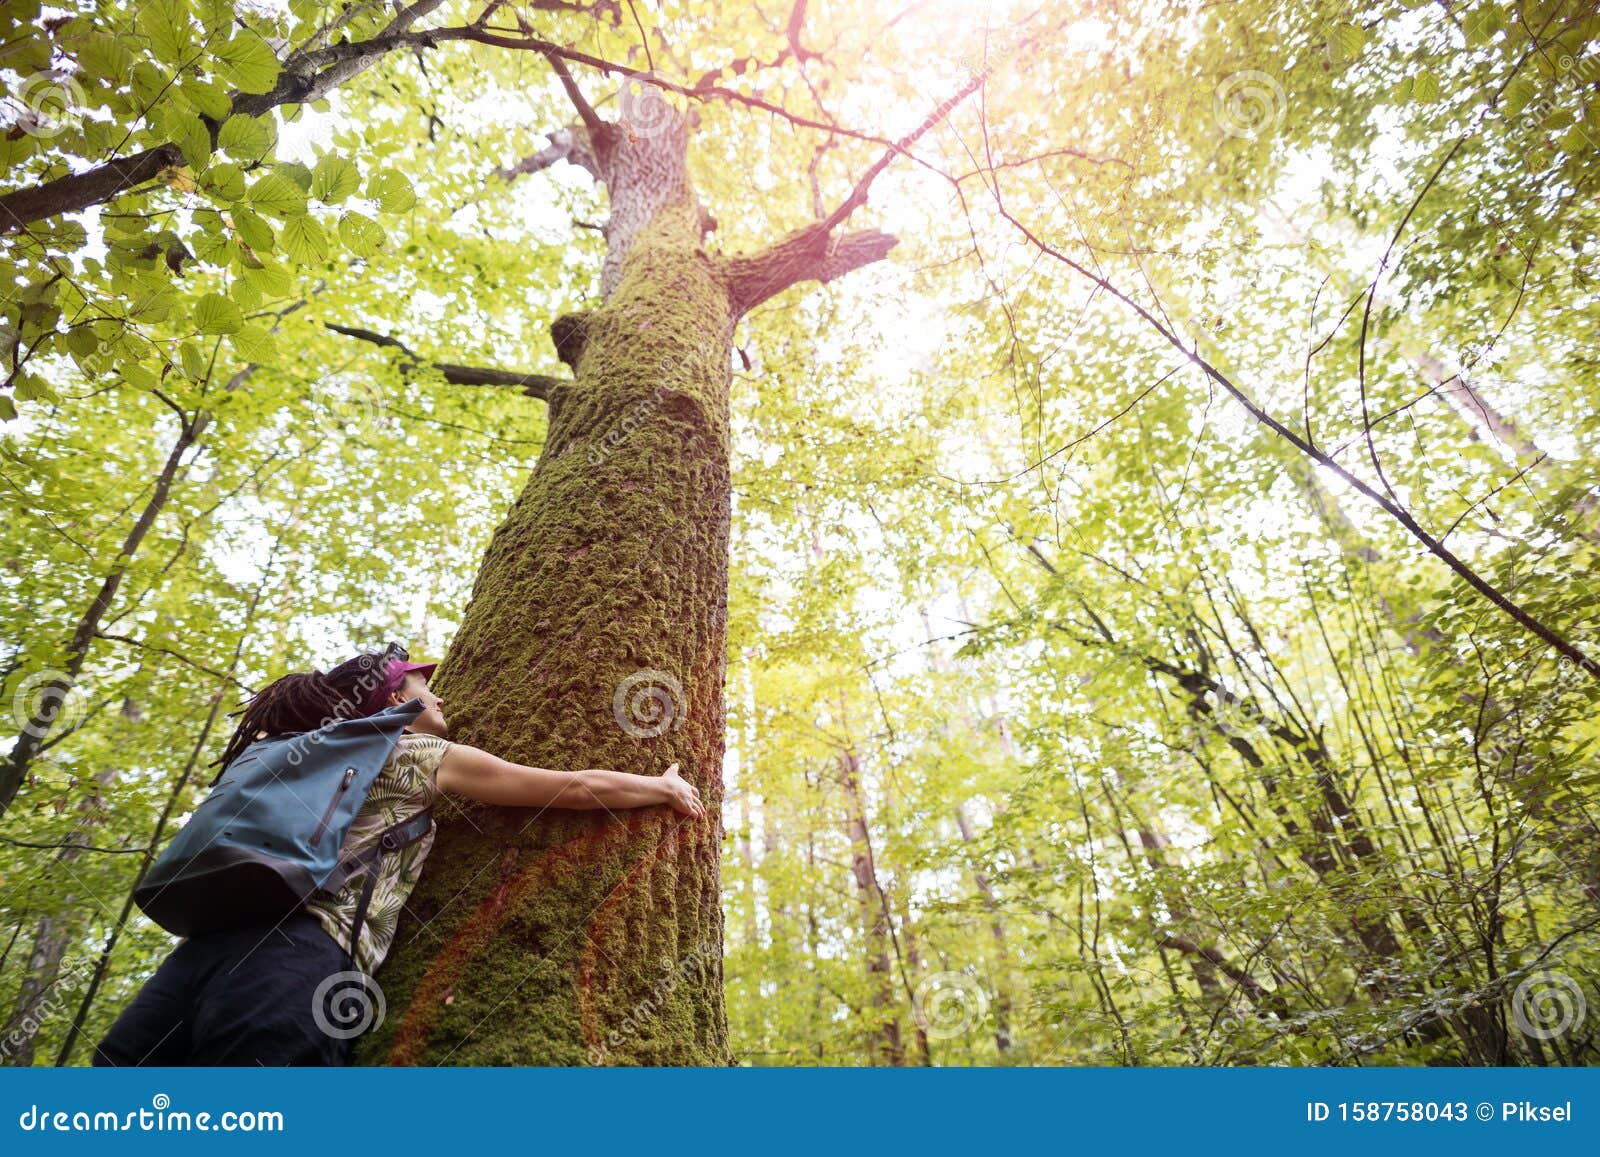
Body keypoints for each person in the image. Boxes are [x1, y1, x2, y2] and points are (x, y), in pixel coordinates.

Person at [92, 644, 701, 1066]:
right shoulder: (410, 756)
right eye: (422, 688)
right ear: (392, 704)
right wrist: (661, 787)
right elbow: (564, 789)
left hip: (198, 956)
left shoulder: (303, 754)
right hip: (297, 959)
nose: (438, 699)